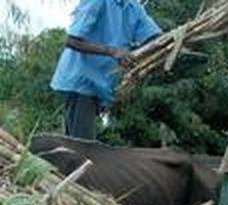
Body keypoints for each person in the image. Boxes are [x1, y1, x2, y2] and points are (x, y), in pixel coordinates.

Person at [49, 0, 162, 140]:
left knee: (83, 140)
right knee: (81, 143)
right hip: (81, 81)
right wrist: (112, 51)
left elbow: (154, 37)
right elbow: (72, 40)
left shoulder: (133, 6)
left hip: (102, 84)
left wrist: (175, 39)